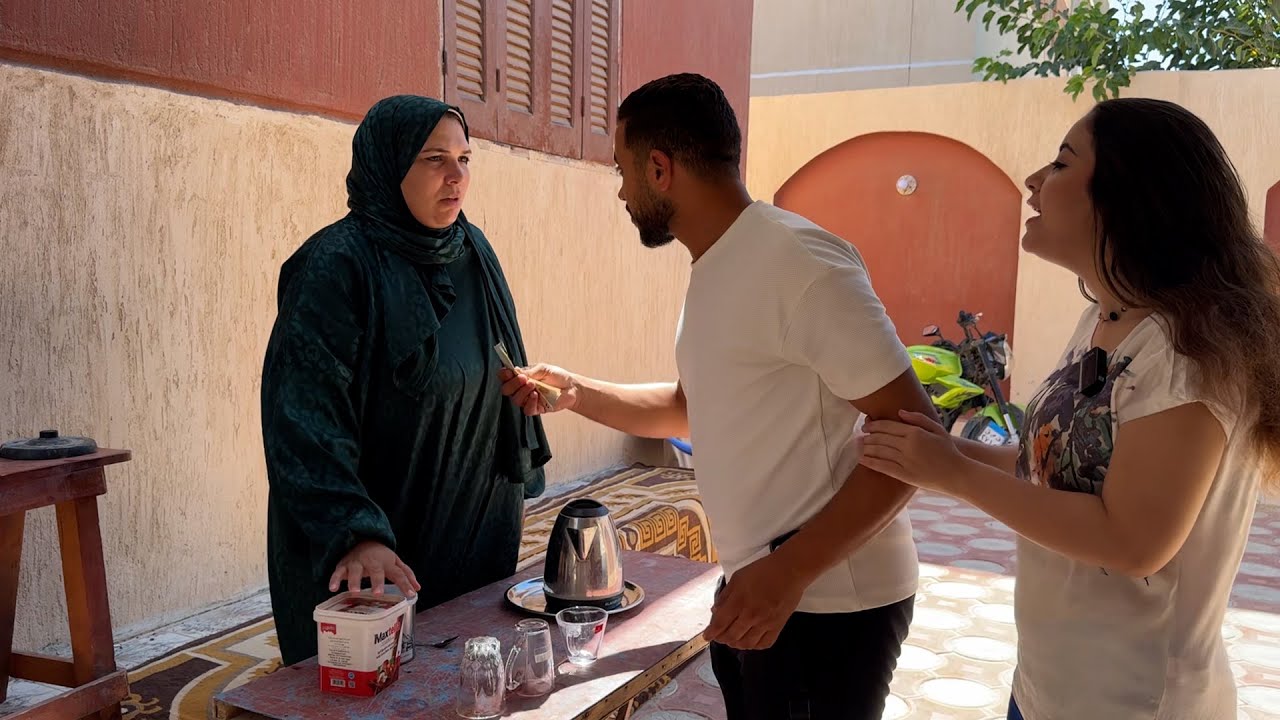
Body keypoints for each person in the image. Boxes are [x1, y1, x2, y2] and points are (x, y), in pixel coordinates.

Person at [500, 73, 937, 720]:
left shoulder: (799, 263)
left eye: (623, 171)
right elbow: (689, 407)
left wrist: (787, 573)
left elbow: (917, 438)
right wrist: (577, 394)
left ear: (659, 168)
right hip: (765, 588)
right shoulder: (717, 262)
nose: (620, 191)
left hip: (832, 602)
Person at [859, 97, 1280, 719]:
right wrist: (945, 451)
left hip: (1133, 701)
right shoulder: (1104, 321)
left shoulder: (1182, 351)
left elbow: (1133, 539)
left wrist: (953, 473)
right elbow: (1057, 472)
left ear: (1128, 198)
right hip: (1050, 685)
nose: (1033, 182)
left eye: (1060, 163)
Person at [260, 95, 551, 666]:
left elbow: (495, 360)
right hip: (370, 558)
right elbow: (301, 419)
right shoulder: (336, 267)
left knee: (461, 683)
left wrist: (520, 395)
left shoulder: (472, 252)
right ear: (388, 165)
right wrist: (356, 531)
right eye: (433, 159)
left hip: (472, 524)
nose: (456, 177)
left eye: (465, 159)